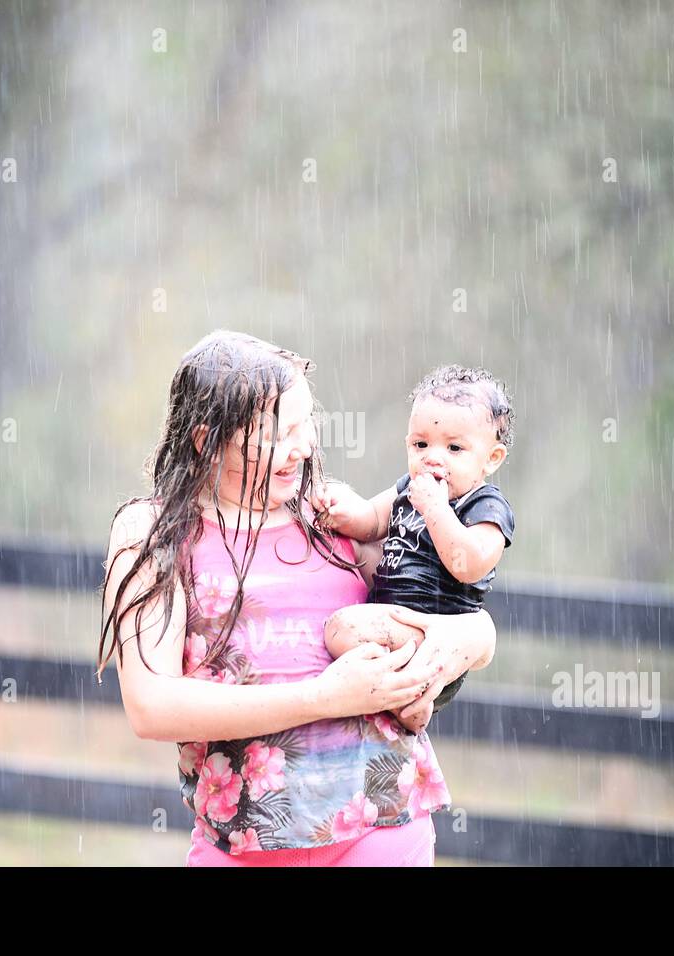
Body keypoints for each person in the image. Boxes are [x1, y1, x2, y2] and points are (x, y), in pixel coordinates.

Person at [97, 330, 498, 866]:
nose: (304, 447)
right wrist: (326, 697)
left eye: (305, 424)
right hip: (241, 845)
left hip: (380, 830)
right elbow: (152, 706)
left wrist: (478, 636)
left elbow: (442, 603)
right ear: (205, 439)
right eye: (278, 434)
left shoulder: (331, 515)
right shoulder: (153, 532)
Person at [315, 365, 515, 735]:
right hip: (393, 617)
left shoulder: (485, 506)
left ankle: (411, 695)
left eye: (454, 448)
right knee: (354, 550)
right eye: (421, 444)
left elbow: (469, 565)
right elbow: (372, 520)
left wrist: (436, 511)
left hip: (436, 638)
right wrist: (344, 513)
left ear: (491, 458)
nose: (433, 457)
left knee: (340, 629)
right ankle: (406, 706)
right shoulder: (411, 487)